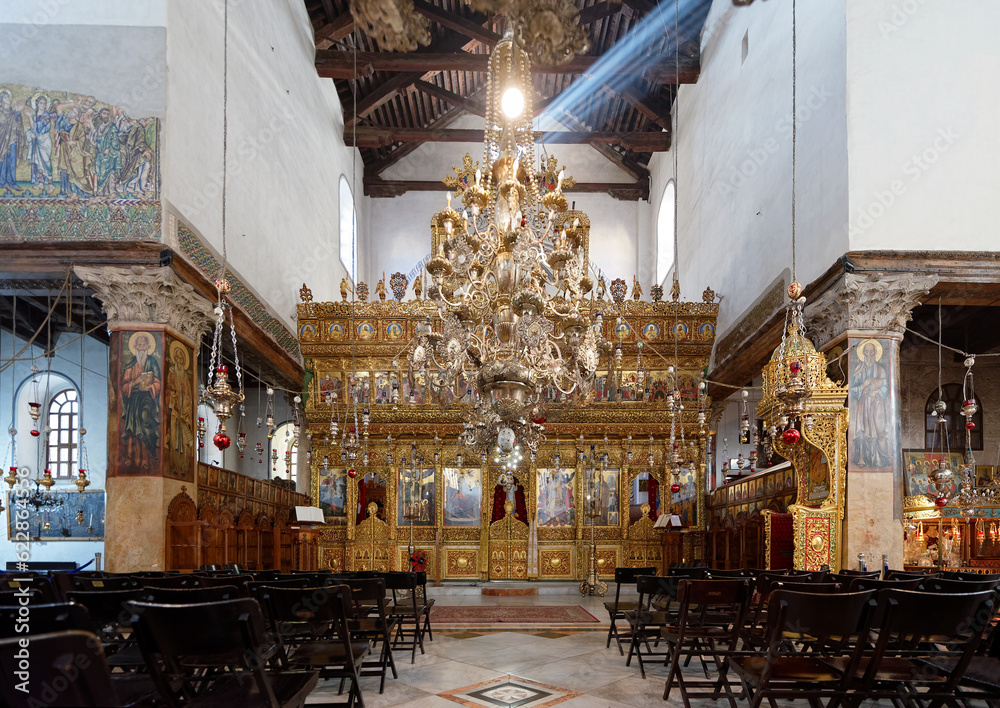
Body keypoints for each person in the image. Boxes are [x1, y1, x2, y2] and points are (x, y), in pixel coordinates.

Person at [121, 332, 162, 473]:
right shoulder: (130, 364)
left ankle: (147, 458)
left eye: (144, 344)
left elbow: (157, 382)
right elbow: (124, 386)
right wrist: (135, 382)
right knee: (133, 429)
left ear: (148, 346)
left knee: (146, 426)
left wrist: (151, 386)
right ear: (135, 346)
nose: (142, 347)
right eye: (139, 344)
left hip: (148, 400)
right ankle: (132, 458)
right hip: (133, 401)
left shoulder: (152, 362)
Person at [850, 340, 892, 469]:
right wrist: (864, 385)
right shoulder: (859, 369)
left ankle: (879, 459)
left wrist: (876, 390)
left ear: (875, 353)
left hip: (877, 403)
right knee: (863, 431)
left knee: (878, 430)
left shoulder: (880, 369)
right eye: (866, 352)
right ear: (863, 353)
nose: (869, 354)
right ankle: (863, 458)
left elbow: (886, 389)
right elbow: (853, 389)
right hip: (863, 404)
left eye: (871, 351)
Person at [0, 90, 25, 191]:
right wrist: (16, 112)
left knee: (12, 162)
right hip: (3, 141)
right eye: (5, 97)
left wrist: (17, 113)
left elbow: (18, 125)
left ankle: (12, 182)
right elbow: (4, 123)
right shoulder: (1, 112)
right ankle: (2, 182)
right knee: (3, 162)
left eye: (8, 97)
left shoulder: (12, 111)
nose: (8, 99)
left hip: (13, 140)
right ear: (1, 100)